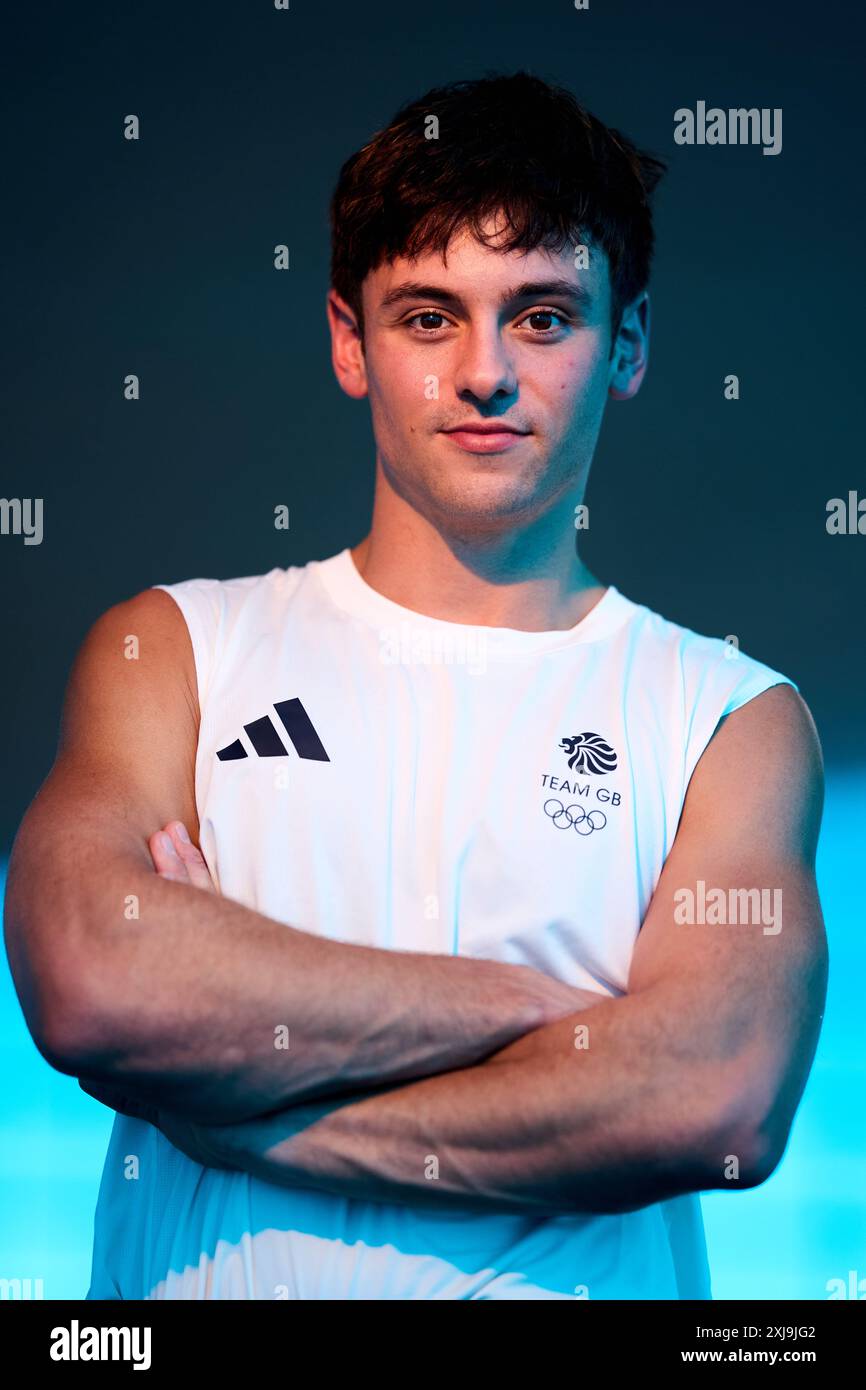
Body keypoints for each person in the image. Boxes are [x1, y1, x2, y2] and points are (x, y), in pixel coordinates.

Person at [4, 71, 827, 1300]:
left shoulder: (728, 718)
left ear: (630, 346)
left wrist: (249, 1095)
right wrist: (558, 1014)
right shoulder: (174, 648)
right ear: (350, 342)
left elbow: (709, 1094)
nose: (485, 372)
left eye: (543, 317)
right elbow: (91, 980)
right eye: (429, 316)